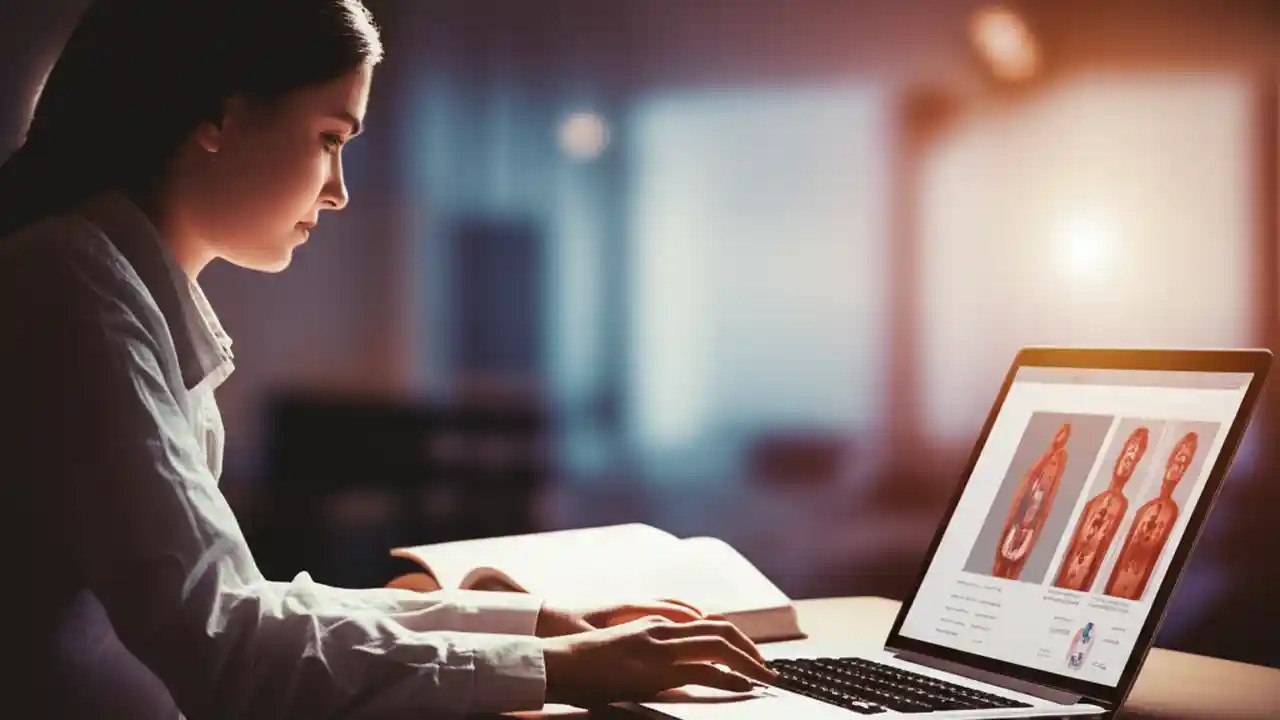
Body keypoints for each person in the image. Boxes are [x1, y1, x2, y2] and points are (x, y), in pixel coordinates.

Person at [0, 1, 777, 717]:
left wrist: (539, 626)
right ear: (219, 115)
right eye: (330, 139)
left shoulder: (102, 283)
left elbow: (241, 603)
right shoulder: (72, 292)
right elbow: (226, 645)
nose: (338, 191)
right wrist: (561, 666)